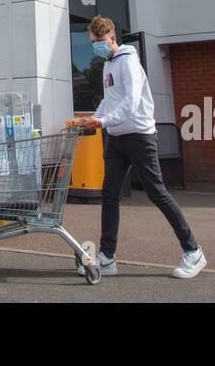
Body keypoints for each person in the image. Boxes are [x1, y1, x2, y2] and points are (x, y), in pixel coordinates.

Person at [72, 15, 206, 279]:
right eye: (92, 42)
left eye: (98, 41)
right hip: (116, 138)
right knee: (109, 195)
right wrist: (94, 118)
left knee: (157, 192)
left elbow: (131, 103)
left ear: (111, 37)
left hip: (139, 137)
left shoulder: (128, 61)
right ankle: (107, 258)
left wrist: (103, 121)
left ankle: (193, 251)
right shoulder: (107, 65)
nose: (95, 46)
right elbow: (110, 101)